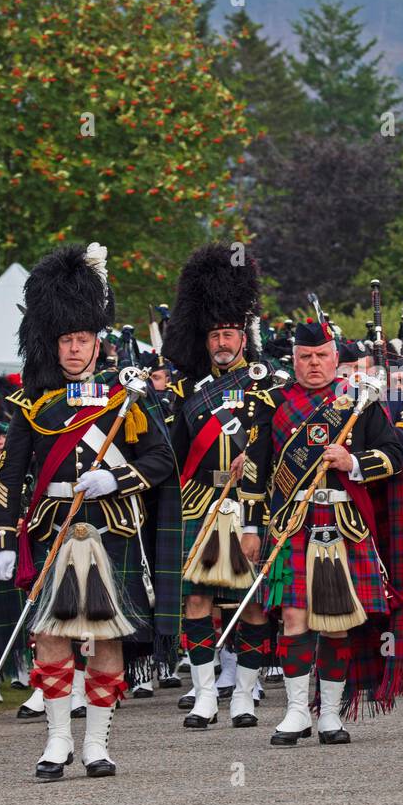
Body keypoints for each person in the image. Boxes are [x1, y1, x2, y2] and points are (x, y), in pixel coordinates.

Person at [0, 243, 179, 780]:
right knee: (51, 633)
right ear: (55, 344)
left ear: (98, 342)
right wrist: (5, 543)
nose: (74, 349)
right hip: (54, 530)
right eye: (66, 341)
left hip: (112, 529)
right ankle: (55, 742)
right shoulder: (34, 405)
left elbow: (163, 460)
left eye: (82, 340)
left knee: (110, 637)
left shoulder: (128, 400)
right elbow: (10, 478)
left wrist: (114, 479)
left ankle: (97, 744)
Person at [238, 317, 403, 747]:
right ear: (293, 359)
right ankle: (297, 712)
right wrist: (249, 526)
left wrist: (351, 461)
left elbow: (395, 457)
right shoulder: (271, 401)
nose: (314, 364)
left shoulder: (360, 401)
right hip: (293, 522)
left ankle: (330, 714)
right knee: (294, 616)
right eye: (305, 357)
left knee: (336, 621)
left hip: (345, 525)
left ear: (336, 357)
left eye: (321, 356)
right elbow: (256, 470)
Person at [164, 244, 272, 729]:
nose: (222, 342)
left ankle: (245, 695)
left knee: (250, 604)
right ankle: (206, 694)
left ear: (243, 337)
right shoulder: (187, 394)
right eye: (215, 335)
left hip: (251, 503)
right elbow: (174, 453)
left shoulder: (269, 386)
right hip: (201, 502)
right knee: (198, 601)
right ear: (205, 341)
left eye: (229, 333)